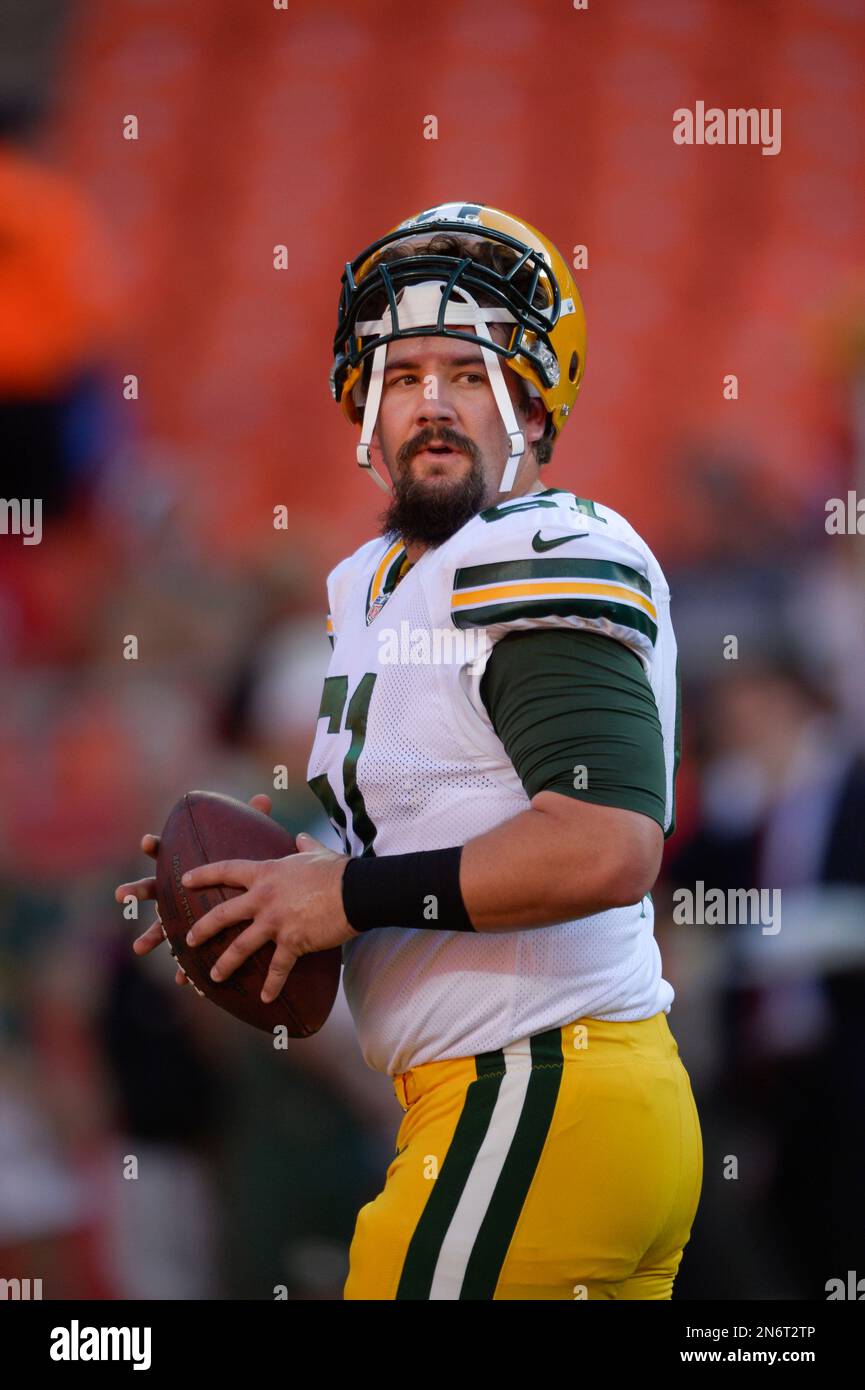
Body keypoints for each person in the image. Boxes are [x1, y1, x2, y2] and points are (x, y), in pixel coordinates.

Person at [117, 202, 702, 1300]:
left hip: (536, 1086)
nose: (431, 401)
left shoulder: (534, 546)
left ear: (533, 401)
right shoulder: (378, 585)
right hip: (512, 1100)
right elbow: (430, 839)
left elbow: (604, 846)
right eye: (401, 374)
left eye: (468, 372)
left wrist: (346, 892)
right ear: (364, 407)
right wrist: (266, 894)